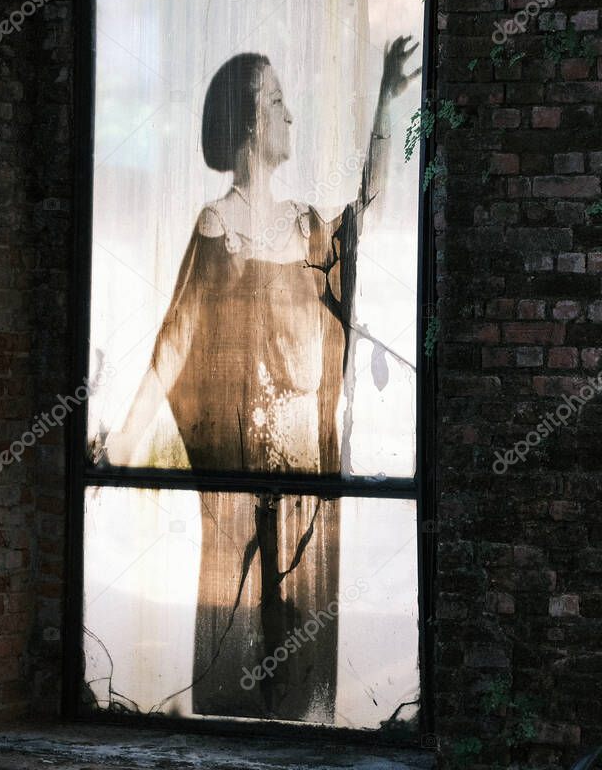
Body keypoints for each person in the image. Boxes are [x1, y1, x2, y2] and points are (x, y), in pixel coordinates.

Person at [104, 37, 419, 722]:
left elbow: (366, 206)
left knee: (301, 658)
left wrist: (388, 103)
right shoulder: (218, 226)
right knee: (245, 638)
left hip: (306, 476)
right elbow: (177, 336)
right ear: (249, 123)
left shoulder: (306, 223)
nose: (290, 116)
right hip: (248, 479)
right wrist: (125, 444)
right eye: (276, 101)